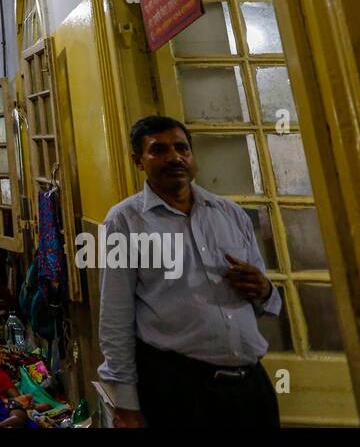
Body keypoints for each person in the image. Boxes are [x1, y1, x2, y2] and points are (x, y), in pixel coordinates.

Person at [98, 115, 281, 429]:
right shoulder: (124, 222)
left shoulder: (230, 214)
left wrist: (264, 289)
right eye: (159, 150)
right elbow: (115, 317)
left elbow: (266, 297)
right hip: (179, 391)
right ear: (138, 161)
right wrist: (126, 404)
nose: (174, 157)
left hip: (250, 385)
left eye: (181, 148)